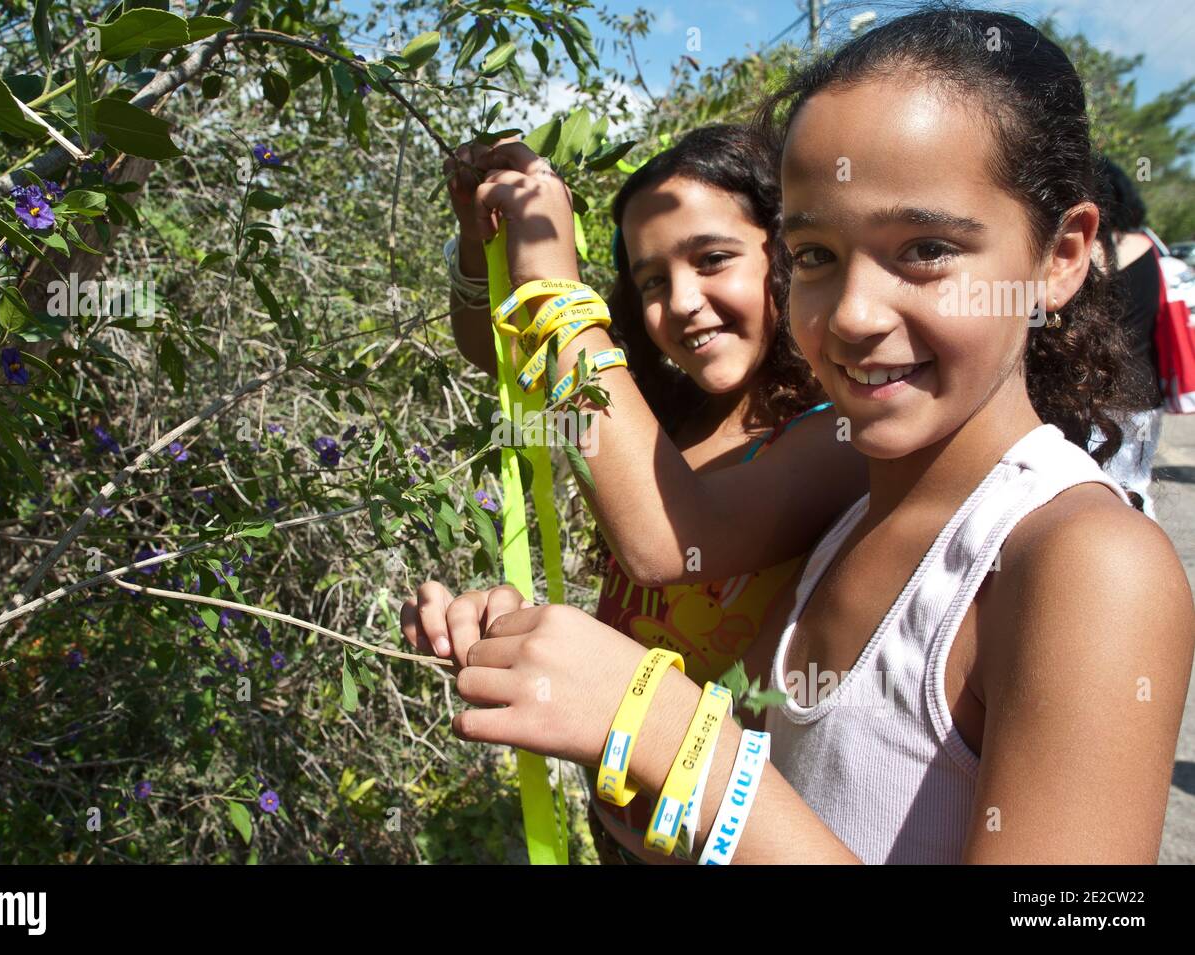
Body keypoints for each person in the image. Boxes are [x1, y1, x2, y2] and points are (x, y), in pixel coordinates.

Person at [405, 7, 1195, 864]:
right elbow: (759, 803)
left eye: (926, 247)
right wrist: (551, 664)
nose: (853, 316)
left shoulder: (1088, 563)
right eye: (815, 254)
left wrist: (669, 733)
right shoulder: (852, 525)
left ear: (1061, 257)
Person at [440, 124, 857, 863]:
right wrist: (487, 247)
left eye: (713, 259)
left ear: (787, 252)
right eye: (652, 281)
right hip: (623, 837)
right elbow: (499, 352)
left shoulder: (838, 437)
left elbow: (665, 540)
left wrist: (558, 290)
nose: (685, 302)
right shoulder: (665, 418)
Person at [1093, 156, 1166, 518]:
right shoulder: (1147, 250)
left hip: (1093, 393)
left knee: (1094, 494)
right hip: (1143, 391)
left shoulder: (1082, 256)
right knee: (1136, 488)